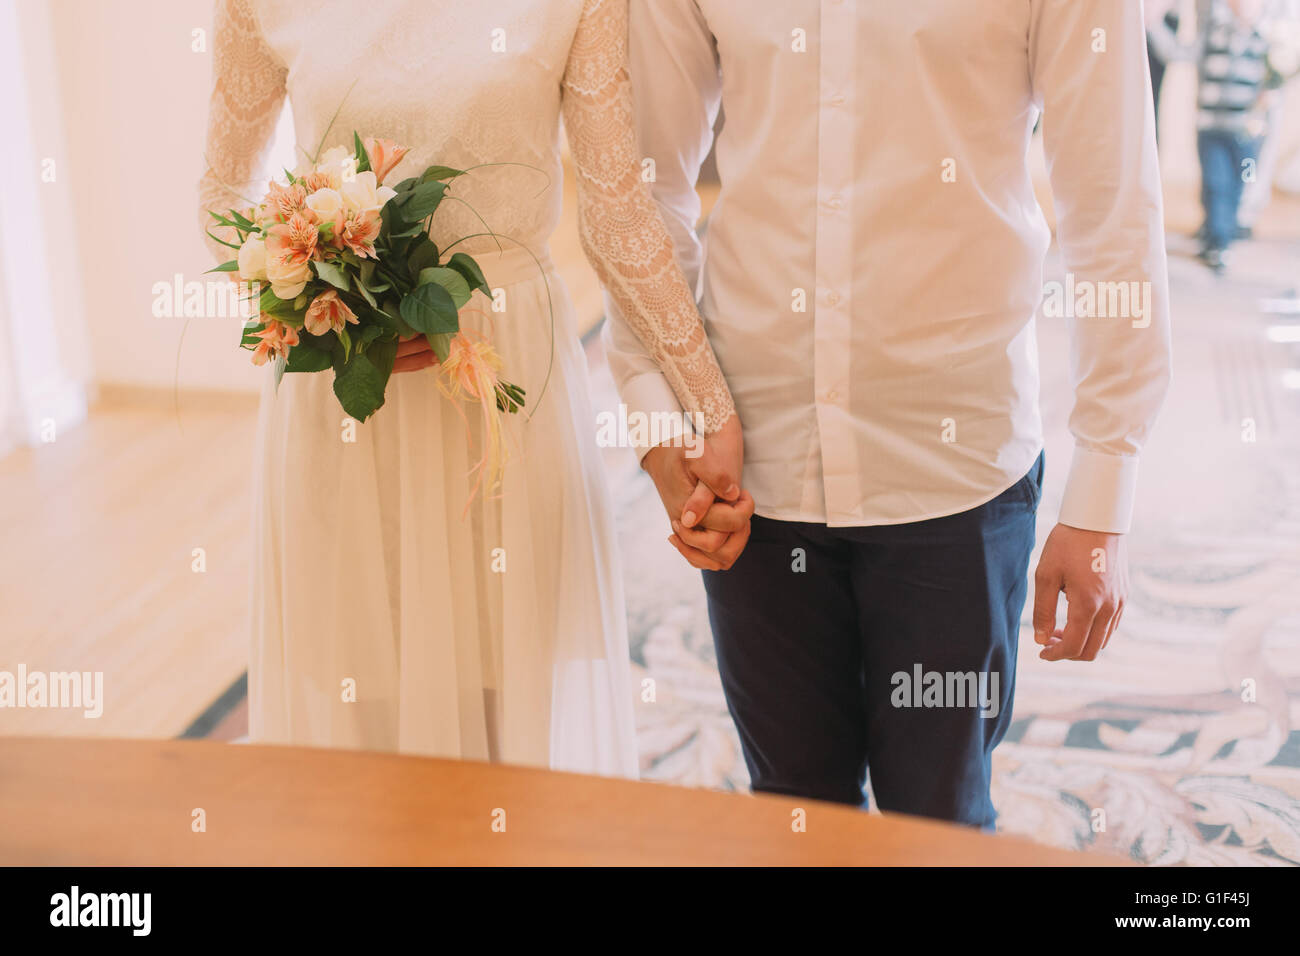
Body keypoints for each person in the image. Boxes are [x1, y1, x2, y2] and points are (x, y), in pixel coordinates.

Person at [606, 0, 1173, 827]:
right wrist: (662, 424)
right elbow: (643, 191)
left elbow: (1112, 199)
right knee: (792, 815)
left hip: (955, 460)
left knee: (938, 821)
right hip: (754, 458)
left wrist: (1104, 490)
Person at [198, 0, 750, 776]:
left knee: (508, 719)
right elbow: (224, 196)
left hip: (504, 379)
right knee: (365, 717)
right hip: (350, 391)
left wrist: (707, 406)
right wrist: (333, 318)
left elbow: (618, 209)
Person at [1195, 0, 1276, 271]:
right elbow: (1184, 52)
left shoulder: (1265, 41)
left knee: (1242, 181)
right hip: (1212, 127)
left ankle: (1224, 228)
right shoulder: (1214, 31)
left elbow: (1274, 80)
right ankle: (1218, 239)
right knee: (1215, 182)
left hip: (1246, 134)